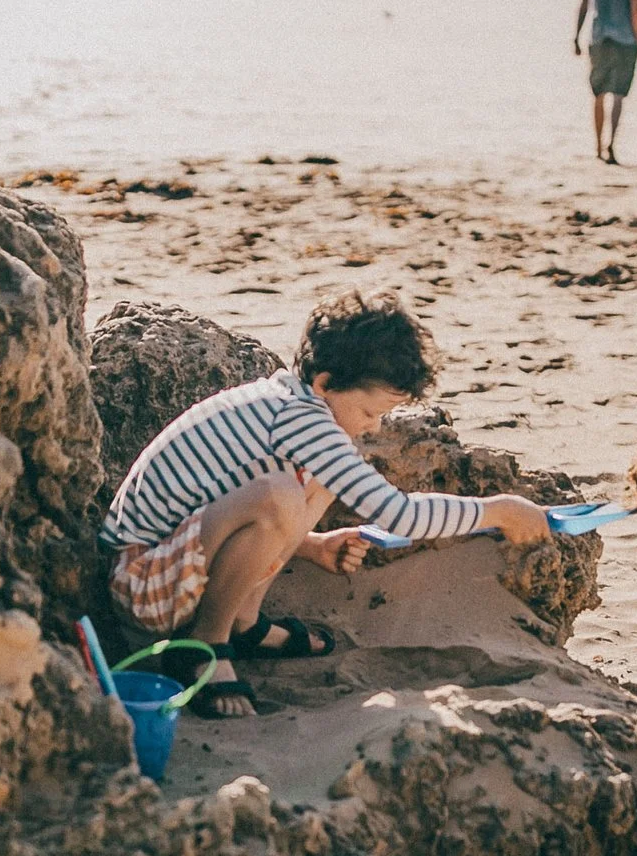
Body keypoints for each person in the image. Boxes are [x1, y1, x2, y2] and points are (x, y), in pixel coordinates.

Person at [101, 290, 556, 719]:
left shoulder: (291, 403)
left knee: (320, 476)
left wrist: (311, 545)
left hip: (175, 564)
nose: (374, 428)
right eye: (370, 413)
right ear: (325, 383)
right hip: (141, 586)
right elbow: (400, 514)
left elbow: (220, 508)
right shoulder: (299, 418)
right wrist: (497, 511)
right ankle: (205, 644)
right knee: (279, 492)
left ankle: (244, 621)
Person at [572, 0, 637, 164]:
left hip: (598, 34)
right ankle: (611, 143)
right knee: (618, 95)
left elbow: (585, 4)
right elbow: (635, 6)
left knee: (598, 93)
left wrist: (576, 35)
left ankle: (596, 146)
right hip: (625, 36)